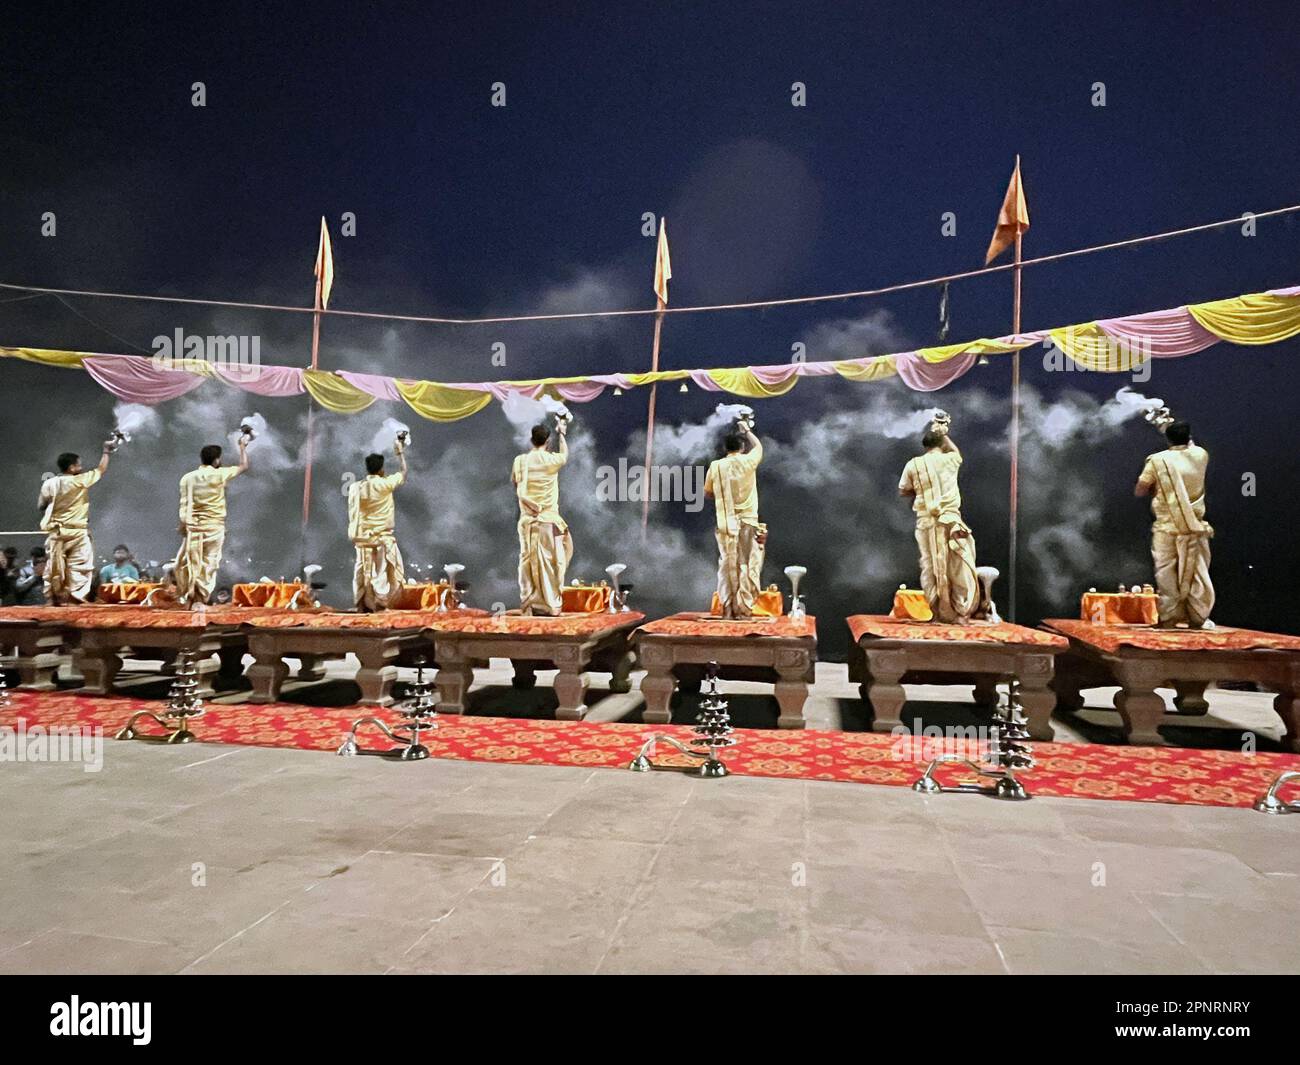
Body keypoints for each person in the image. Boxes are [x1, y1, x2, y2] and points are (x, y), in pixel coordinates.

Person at [1135, 420, 1213, 628]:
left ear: (1168, 439)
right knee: (1198, 572)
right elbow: (1191, 446)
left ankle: (1169, 617)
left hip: (1167, 527)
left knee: (1166, 570)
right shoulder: (1200, 456)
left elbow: (1140, 489)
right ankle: (1198, 616)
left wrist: (1154, 489)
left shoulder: (1158, 460)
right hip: (1195, 526)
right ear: (1188, 438)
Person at [899, 425, 978, 624]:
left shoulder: (914, 464)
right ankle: (960, 612)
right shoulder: (950, 459)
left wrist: (920, 490)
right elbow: (956, 452)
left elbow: (903, 490)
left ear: (924, 445)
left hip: (926, 522)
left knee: (931, 566)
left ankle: (937, 612)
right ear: (941, 444)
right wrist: (945, 435)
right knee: (957, 565)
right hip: (950, 522)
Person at [173, 439, 249, 606]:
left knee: (191, 562)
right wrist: (242, 446)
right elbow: (243, 466)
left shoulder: (188, 478)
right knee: (209, 564)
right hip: (214, 528)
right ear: (216, 460)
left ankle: (190, 597)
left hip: (194, 527)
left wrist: (183, 525)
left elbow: (185, 503)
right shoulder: (220, 474)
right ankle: (200, 599)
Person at [703, 423, 765, 619]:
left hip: (726, 522)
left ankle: (728, 608)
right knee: (747, 563)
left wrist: (724, 495)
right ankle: (744, 608)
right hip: (748, 521)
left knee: (727, 564)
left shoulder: (716, 466)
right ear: (742, 447)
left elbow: (708, 492)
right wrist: (746, 429)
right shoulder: (749, 461)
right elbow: (759, 447)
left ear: (725, 449)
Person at [38, 443, 113, 605]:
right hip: (77, 531)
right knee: (81, 565)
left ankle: (52, 598)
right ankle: (75, 598)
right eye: (79, 464)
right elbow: (101, 469)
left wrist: (57, 508)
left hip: (56, 531)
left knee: (54, 565)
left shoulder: (48, 483)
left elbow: (41, 506)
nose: (81, 467)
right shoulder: (79, 481)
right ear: (72, 467)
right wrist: (106, 452)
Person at [512, 420, 570, 616]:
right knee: (553, 562)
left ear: (531, 440)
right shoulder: (551, 460)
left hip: (527, 520)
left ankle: (529, 603)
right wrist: (562, 433)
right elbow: (564, 455)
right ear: (547, 440)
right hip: (547, 521)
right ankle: (550, 604)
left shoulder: (521, 461)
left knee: (527, 561)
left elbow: (515, 483)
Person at [347, 443, 408, 611]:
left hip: (363, 539)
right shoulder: (384, 484)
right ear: (381, 469)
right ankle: (380, 605)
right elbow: (403, 473)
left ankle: (361, 604)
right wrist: (400, 452)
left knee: (361, 572)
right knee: (380, 573)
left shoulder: (355, 488)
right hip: (381, 539)